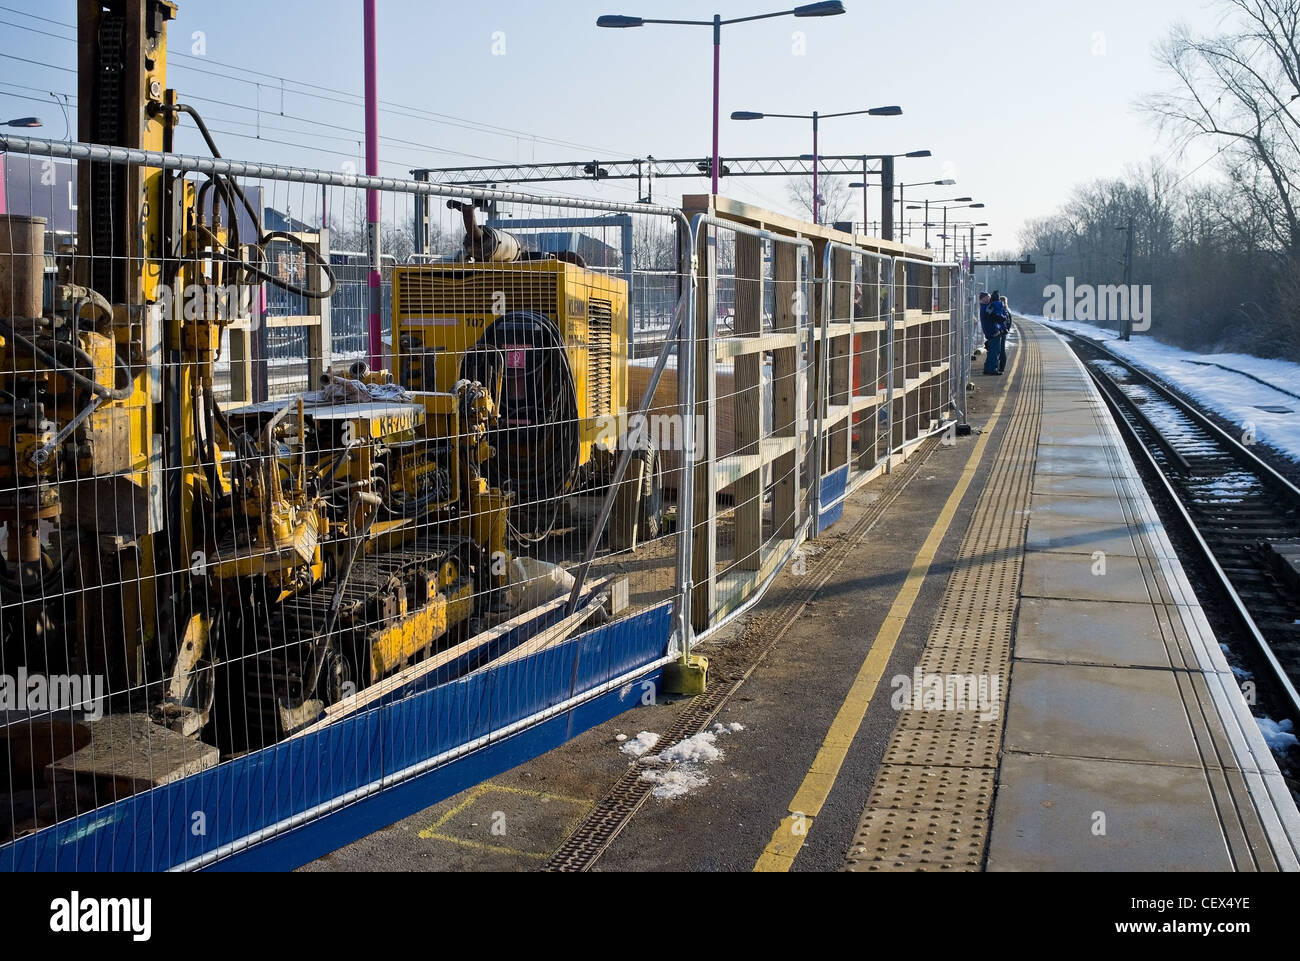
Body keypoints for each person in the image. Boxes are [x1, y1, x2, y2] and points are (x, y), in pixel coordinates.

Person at [979, 292, 1004, 375]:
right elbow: (993, 316)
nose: (989, 299)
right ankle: (992, 369)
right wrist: (1002, 318)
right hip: (993, 332)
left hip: (989, 331)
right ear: (983, 298)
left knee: (991, 352)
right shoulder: (986, 308)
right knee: (994, 352)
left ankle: (987, 368)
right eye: (988, 297)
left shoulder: (984, 307)